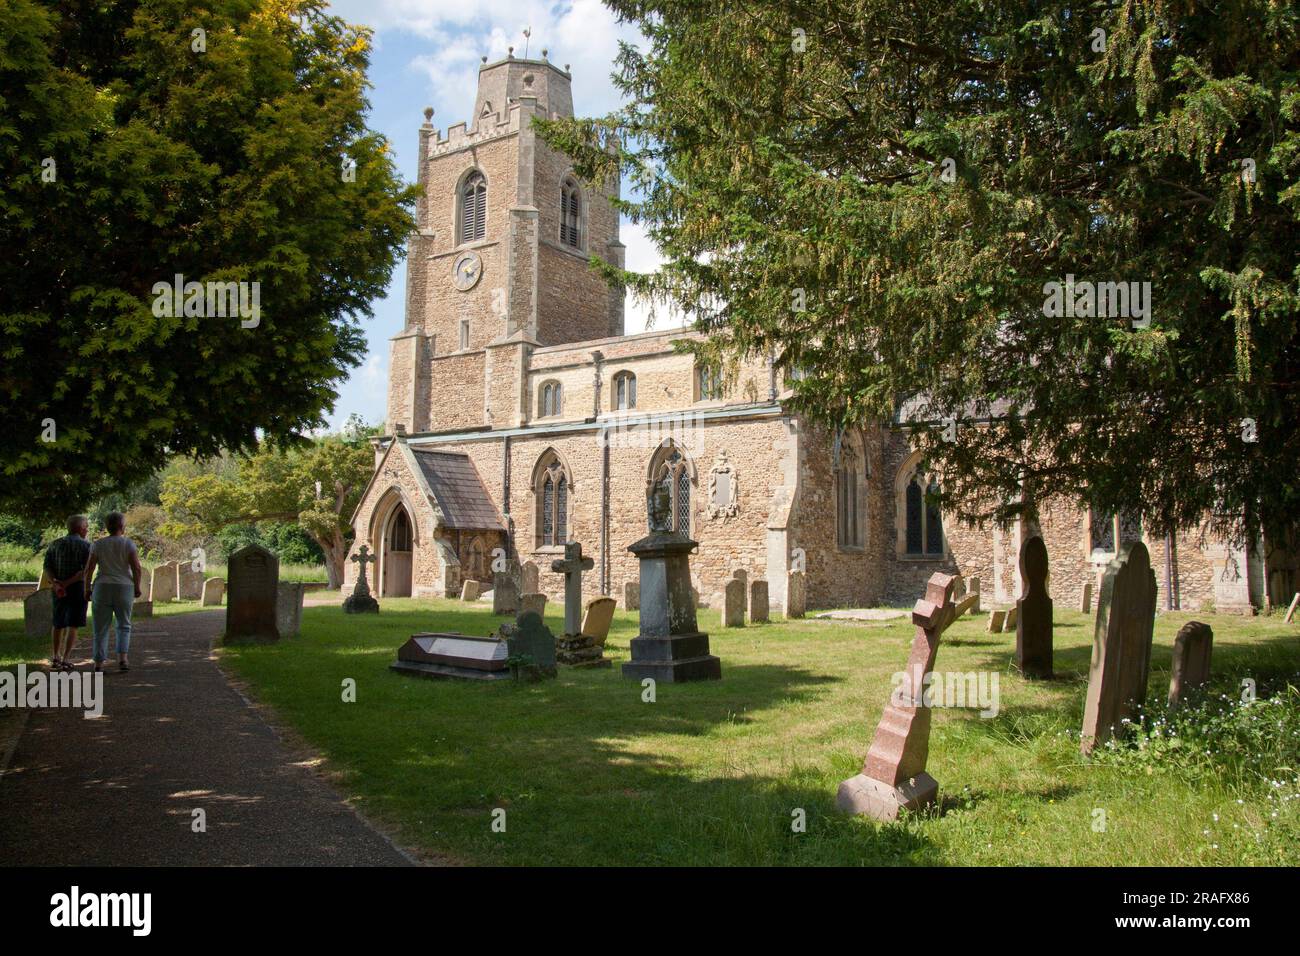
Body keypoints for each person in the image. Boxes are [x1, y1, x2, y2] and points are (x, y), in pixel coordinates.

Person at [79, 512, 143, 673]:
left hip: (102, 586)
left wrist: (87, 588)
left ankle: (99, 663)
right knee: (124, 624)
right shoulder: (128, 544)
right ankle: (123, 658)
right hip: (124, 586)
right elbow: (136, 567)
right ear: (122, 526)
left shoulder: (98, 544)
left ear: (107, 527)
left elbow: (89, 569)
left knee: (100, 627)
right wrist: (137, 586)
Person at [42, 515, 91, 671]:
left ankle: (55, 656)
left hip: (58, 588)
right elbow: (84, 571)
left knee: (58, 623)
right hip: (77, 588)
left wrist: (56, 583)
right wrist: (67, 583)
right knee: (73, 624)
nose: (87, 529)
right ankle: (66, 658)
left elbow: (47, 567)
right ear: (81, 528)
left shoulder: (55, 544)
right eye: (86, 526)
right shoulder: (86, 546)